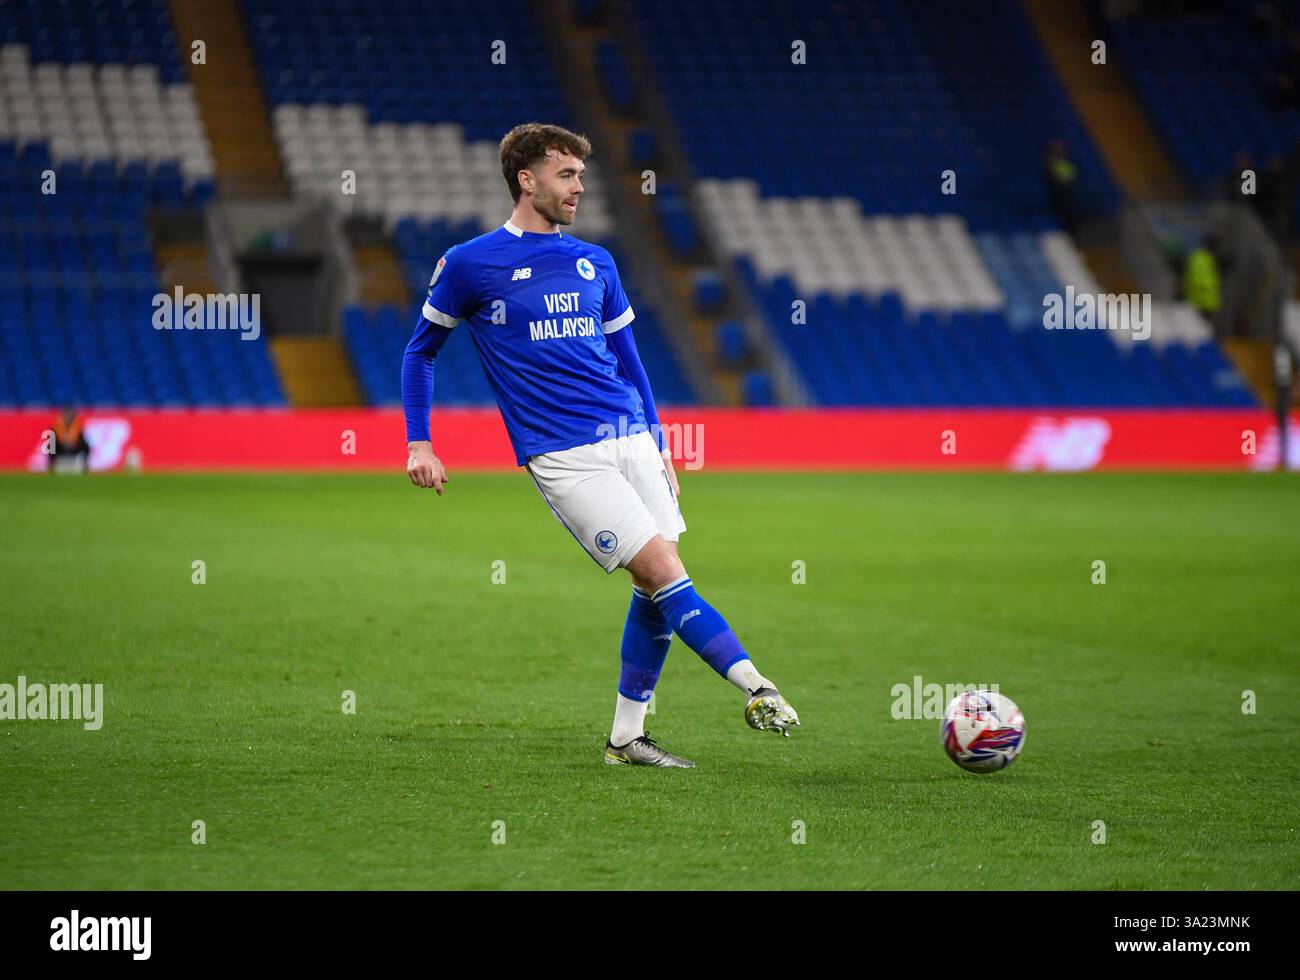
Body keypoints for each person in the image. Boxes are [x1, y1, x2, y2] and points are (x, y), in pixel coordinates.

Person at [401, 123, 799, 768]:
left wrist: (659, 440)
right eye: (567, 175)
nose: (580, 187)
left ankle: (626, 739)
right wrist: (420, 443)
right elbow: (420, 353)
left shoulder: (597, 262)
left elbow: (628, 359)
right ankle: (756, 684)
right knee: (664, 574)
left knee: (653, 588)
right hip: (561, 453)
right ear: (526, 180)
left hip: (631, 438)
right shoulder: (470, 263)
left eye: (582, 175)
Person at [48, 407, 90, 473]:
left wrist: (74, 443)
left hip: (74, 447)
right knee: (51, 445)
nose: (68, 417)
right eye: (66, 415)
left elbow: (81, 438)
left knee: (86, 445)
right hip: (61, 448)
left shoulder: (77, 426)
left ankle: (85, 465)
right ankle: (52, 465)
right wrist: (64, 443)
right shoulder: (57, 426)